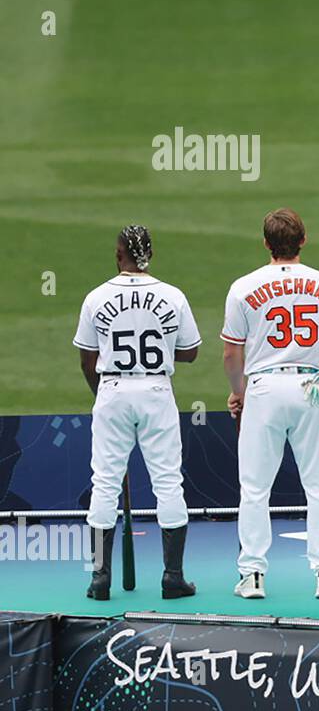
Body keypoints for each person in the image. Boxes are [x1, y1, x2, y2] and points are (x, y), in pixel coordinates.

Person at [221, 208, 319, 599]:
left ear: (266, 243)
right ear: (303, 240)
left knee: (255, 487)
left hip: (263, 388)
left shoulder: (243, 287)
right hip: (310, 385)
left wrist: (238, 391)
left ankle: (252, 575)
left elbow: (231, 352)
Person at [74, 225, 201, 600]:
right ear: (150, 254)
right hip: (156, 389)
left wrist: (103, 396)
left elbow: (86, 359)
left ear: (118, 256)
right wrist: (161, 349)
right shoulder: (172, 295)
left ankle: (100, 579)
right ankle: (173, 577)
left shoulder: (96, 298)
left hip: (112, 388)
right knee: (168, 482)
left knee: (104, 483)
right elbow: (191, 351)